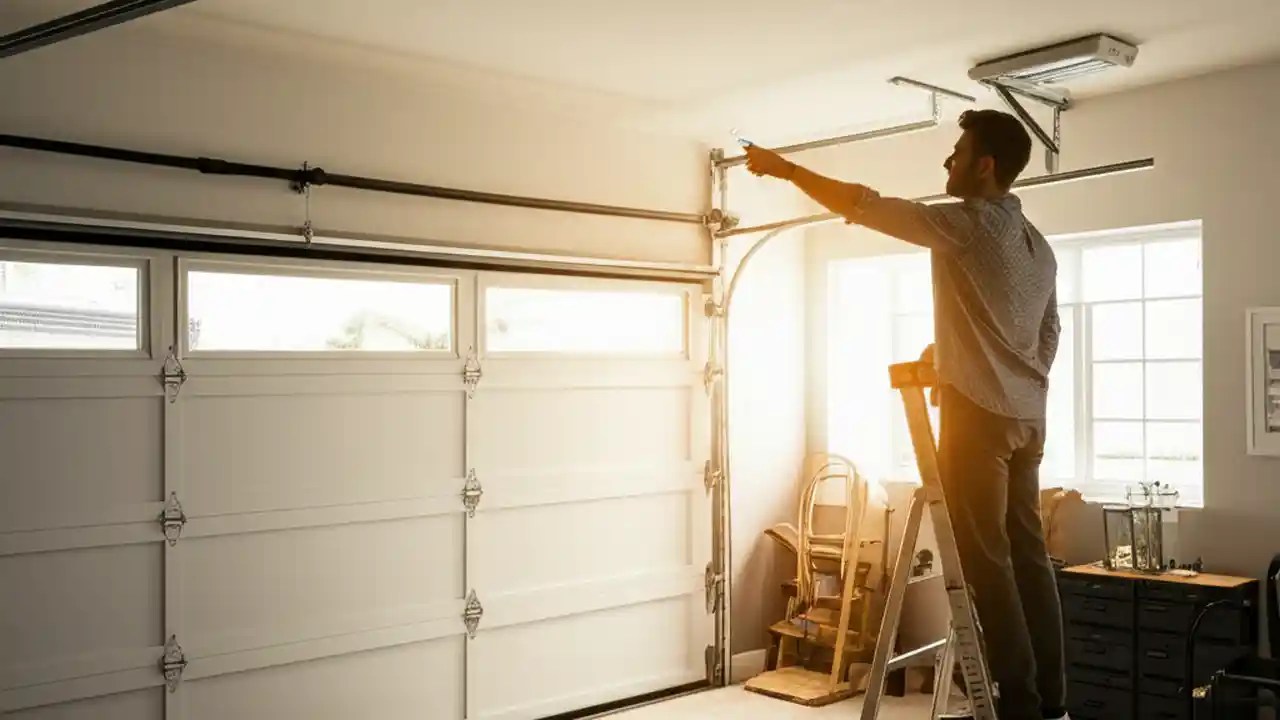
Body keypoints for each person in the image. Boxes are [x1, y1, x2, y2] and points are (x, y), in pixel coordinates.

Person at [744, 109, 1067, 720]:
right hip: (1030, 419)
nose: (948, 162)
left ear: (985, 166)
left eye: (958, 152)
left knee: (986, 563)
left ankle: (1019, 707)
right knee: (1028, 557)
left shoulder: (968, 225)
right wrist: (985, 366)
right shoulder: (1037, 246)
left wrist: (785, 169)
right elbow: (1046, 332)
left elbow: (867, 205)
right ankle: (1050, 702)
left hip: (977, 418)